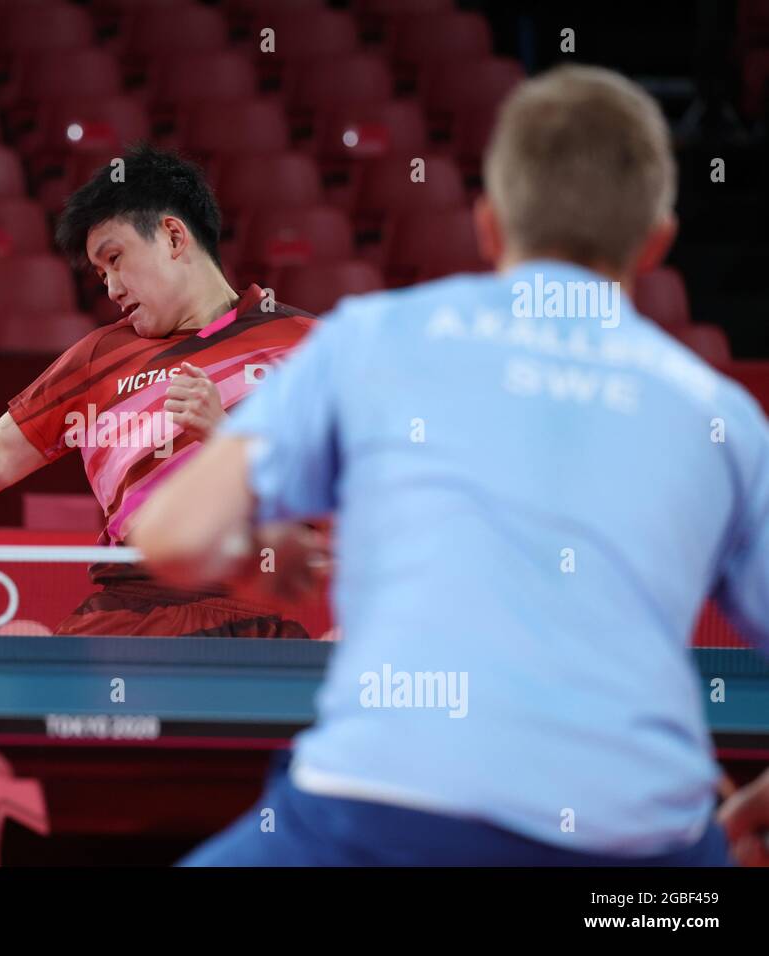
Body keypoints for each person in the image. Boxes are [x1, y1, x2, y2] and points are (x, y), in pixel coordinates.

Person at [132, 65, 769, 865]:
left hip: (376, 821)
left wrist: (261, 547)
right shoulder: (722, 417)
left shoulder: (371, 338)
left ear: (489, 226)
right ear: (657, 243)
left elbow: (173, 539)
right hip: (641, 855)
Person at [0, 144, 319, 864]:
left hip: (256, 647)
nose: (108, 284)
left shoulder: (307, 347)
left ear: (174, 237)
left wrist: (232, 439)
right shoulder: (97, 360)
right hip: (123, 635)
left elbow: (360, 503)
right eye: (98, 269)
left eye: (115, 258)